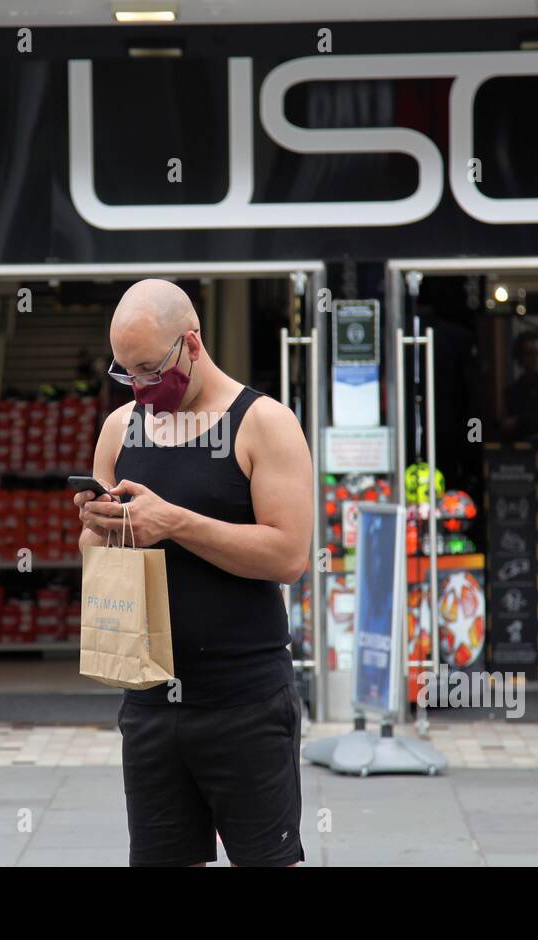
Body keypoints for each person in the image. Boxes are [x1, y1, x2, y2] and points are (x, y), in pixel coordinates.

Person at [75, 279, 312, 867]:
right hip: (150, 695)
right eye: (126, 372)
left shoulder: (264, 423)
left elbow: (289, 557)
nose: (140, 385)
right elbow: (90, 552)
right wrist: (101, 527)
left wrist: (174, 522)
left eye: (150, 369)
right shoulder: (119, 427)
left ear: (193, 344)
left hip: (246, 698)